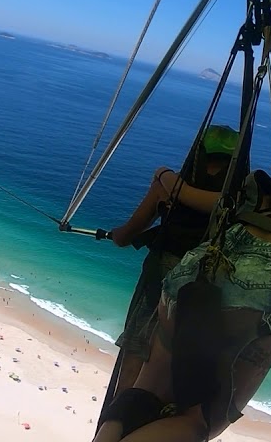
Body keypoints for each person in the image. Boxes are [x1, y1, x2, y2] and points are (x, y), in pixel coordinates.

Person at [95, 154, 271, 442]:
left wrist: (162, 174)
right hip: (251, 300)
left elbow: (183, 192)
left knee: (146, 391)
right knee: (203, 421)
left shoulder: (254, 193)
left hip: (192, 274)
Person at [100, 125, 241, 416]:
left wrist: (116, 234)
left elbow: (126, 235)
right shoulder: (241, 199)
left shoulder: (171, 188)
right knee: (177, 368)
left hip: (163, 280)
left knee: (135, 359)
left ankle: (118, 424)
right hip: (208, 289)